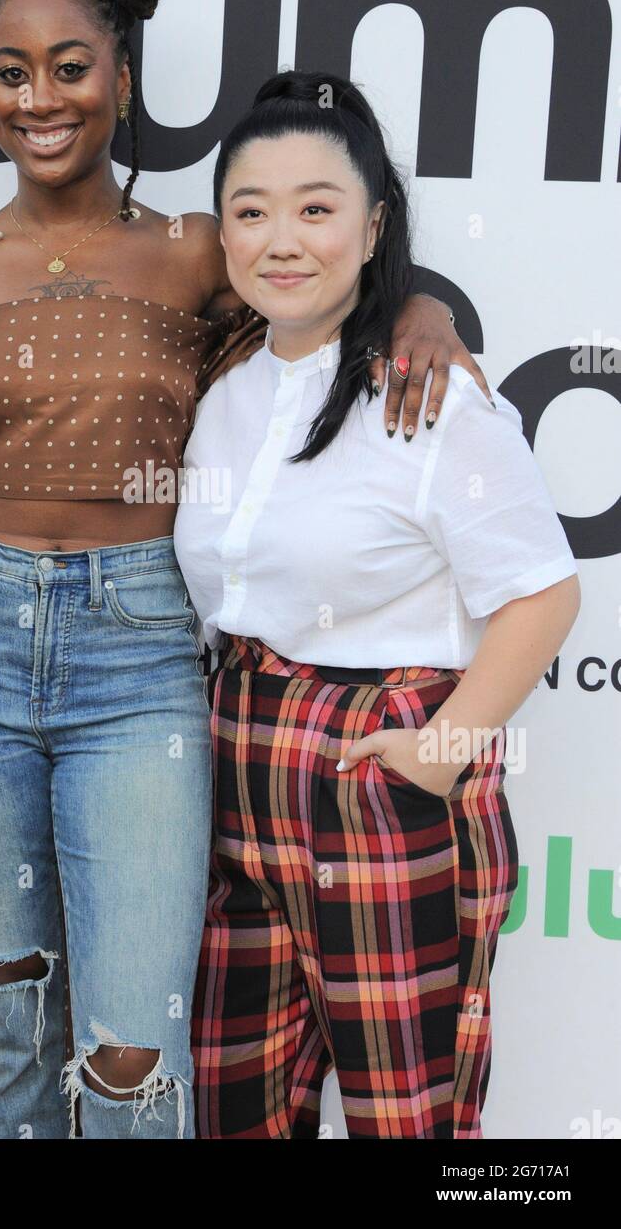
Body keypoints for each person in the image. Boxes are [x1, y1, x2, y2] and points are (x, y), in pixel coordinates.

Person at [0, 0, 485, 1140]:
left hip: (138, 656)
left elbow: (323, 270)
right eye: (10, 72)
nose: (39, 97)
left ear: (121, 75)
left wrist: (419, 304)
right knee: (2, 1025)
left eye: (71, 66)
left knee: (136, 1043)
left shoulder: (195, 251)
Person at [173, 71, 581, 1139]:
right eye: (250, 212)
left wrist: (437, 751)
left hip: (379, 767)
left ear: (372, 226)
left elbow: (541, 590)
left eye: (316, 208)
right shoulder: (223, 396)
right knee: (234, 1105)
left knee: (410, 1116)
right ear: (221, 235)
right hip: (238, 765)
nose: (281, 239)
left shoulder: (428, 393)